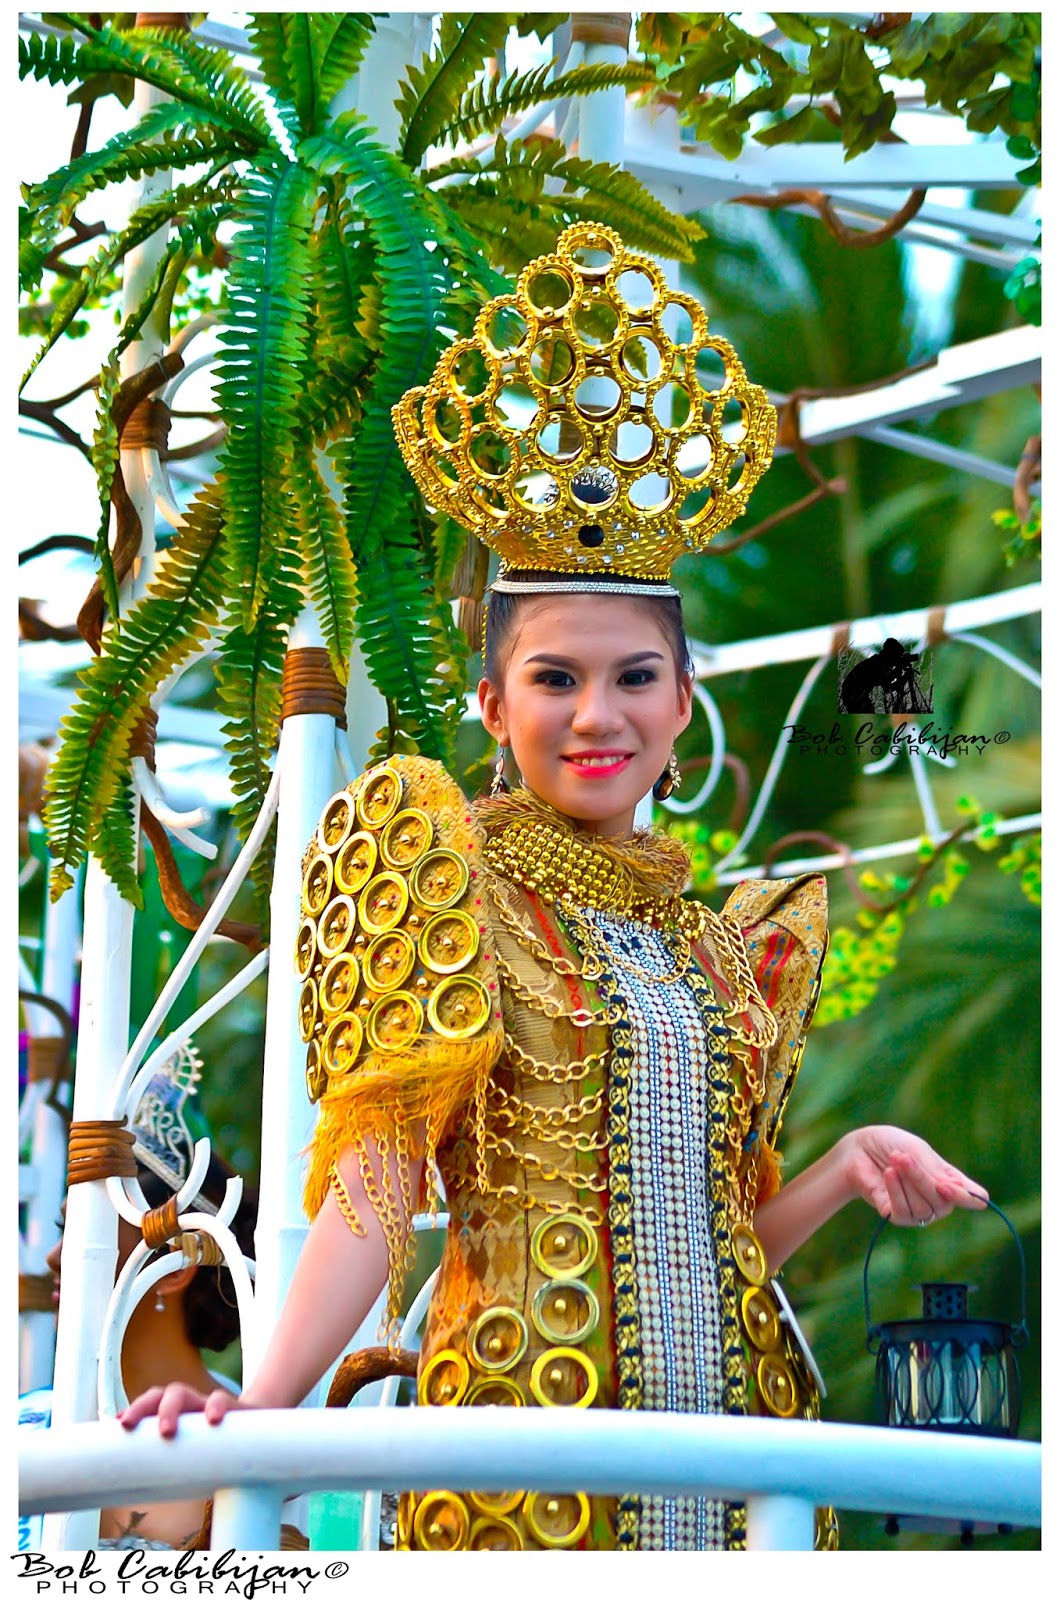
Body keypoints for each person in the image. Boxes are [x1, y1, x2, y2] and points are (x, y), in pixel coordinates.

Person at [121, 222, 988, 1550]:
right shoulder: (445, 876)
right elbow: (376, 1180)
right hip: (522, 1467)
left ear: (685, 702)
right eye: (556, 678)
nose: (600, 714)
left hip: (733, 1472)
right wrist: (267, 1400)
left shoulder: (723, 944)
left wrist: (847, 1167)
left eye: (636, 677)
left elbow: (718, 1233)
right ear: (490, 701)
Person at [45, 1153, 257, 1549]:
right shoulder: (23, 1421)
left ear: (175, 1269)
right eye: (61, 1230)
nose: (52, 1256)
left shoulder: (245, 1448)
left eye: (82, 1233)